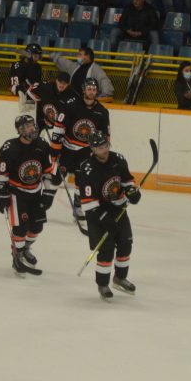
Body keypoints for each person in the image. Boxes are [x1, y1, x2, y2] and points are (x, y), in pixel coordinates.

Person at [77, 131, 141, 301]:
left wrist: (131, 192)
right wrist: (104, 218)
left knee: (126, 243)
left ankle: (120, 278)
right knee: (106, 249)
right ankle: (103, 284)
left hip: (117, 209)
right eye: (99, 148)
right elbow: (88, 202)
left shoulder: (118, 159)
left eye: (105, 146)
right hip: (96, 213)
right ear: (92, 149)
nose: (104, 150)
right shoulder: (87, 169)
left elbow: (127, 180)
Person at [0, 115, 58, 276]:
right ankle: (17, 254)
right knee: (20, 228)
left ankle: (25, 248)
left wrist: (48, 192)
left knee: (37, 227)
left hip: (35, 193)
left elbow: (47, 170)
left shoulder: (42, 144)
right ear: (20, 130)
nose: (32, 128)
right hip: (16, 194)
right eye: (28, 126)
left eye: (32, 125)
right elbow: (2, 171)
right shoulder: (9, 147)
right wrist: (1, 191)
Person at [51, 77, 112, 223]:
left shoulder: (102, 112)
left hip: (86, 152)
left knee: (82, 179)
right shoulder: (71, 105)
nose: (91, 92)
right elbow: (59, 127)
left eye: (94, 89)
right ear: (84, 90)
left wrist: (103, 154)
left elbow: (105, 136)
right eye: (89, 89)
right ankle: (43, 202)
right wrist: (54, 150)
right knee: (55, 179)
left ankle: (78, 207)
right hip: (67, 149)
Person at [50, 46, 114, 99]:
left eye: (80, 54)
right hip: (70, 99)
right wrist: (53, 56)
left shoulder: (97, 70)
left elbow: (106, 86)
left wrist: (99, 98)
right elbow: (63, 62)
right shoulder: (74, 66)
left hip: (85, 102)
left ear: (88, 56)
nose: (77, 56)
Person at [9, 43, 44, 107]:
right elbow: (15, 88)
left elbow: (37, 82)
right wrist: (29, 89)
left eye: (38, 56)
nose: (38, 58)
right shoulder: (18, 65)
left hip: (32, 96)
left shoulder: (38, 67)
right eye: (36, 56)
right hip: (19, 99)